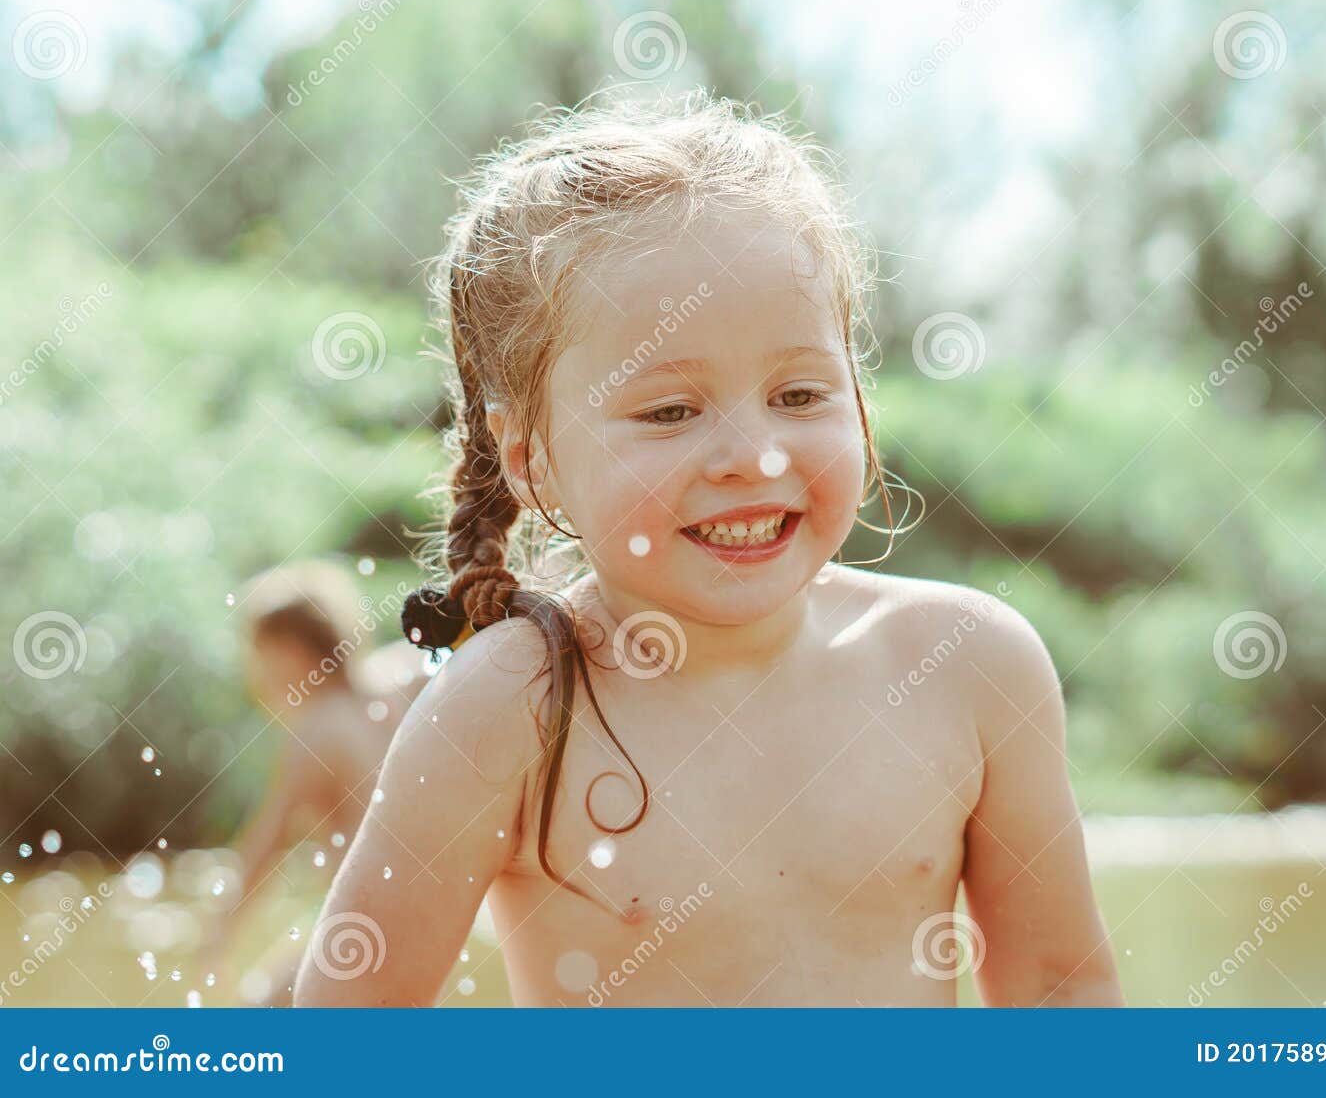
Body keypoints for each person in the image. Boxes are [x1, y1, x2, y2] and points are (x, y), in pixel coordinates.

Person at [295, 89, 1122, 1007]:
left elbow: (1060, 985)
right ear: (533, 462)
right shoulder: (510, 706)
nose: (752, 456)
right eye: (670, 412)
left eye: (801, 395)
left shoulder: (965, 666)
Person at [204, 559, 427, 1004]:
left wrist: (216, 939)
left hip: (362, 926)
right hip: (419, 924)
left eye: (258, 654)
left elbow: (268, 845)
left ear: (291, 651)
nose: (255, 675)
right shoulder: (385, 696)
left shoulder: (316, 729)